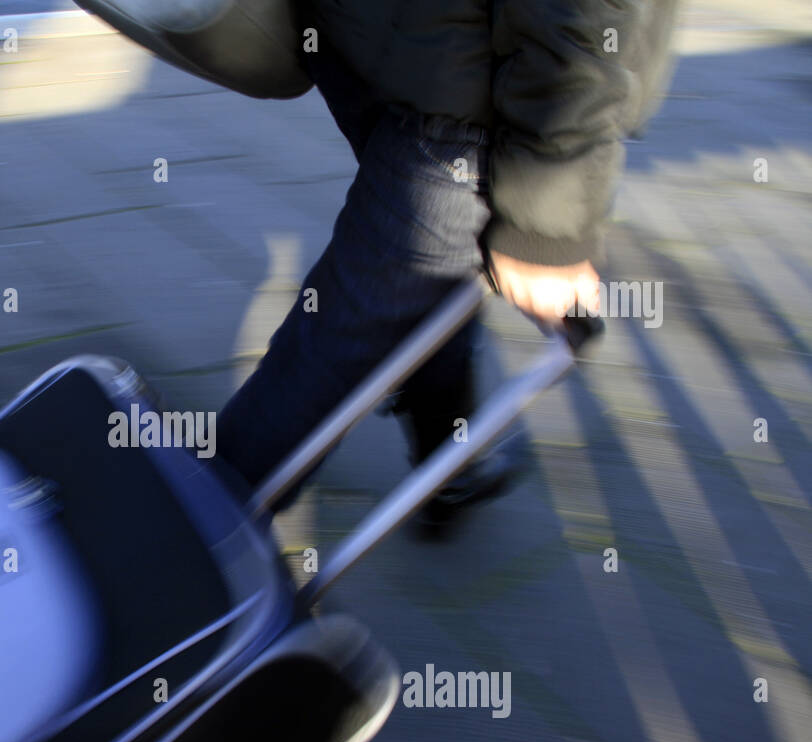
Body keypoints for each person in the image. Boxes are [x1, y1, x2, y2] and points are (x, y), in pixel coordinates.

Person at [216, 0, 680, 531]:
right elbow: (576, 14)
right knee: (341, 338)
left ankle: (448, 467)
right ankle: (189, 561)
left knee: (429, 283)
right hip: (471, 93)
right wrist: (548, 222)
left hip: (377, 39)